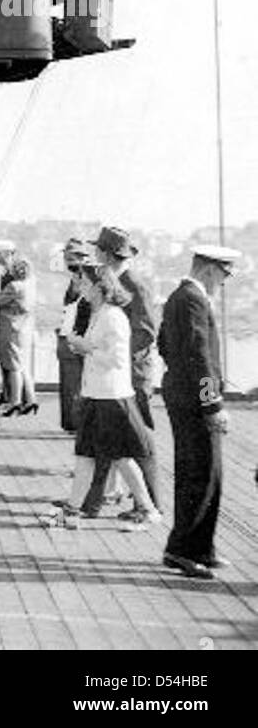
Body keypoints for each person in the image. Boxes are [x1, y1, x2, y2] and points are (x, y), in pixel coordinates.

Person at [43, 265, 160, 531]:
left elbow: (118, 359)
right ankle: (72, 510)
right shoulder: (98, 314)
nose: (81, 287)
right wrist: (84, 347)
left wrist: (86, 348)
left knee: (120, 457)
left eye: (84, 283)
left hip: (112, 397)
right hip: (97, 394)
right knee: (87, 454)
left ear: (99, 287)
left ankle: (148, 508)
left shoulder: (113, 316)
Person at [159, 244, 240, 579]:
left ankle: (202, 548)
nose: (222, 284)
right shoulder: (193, 298)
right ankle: (182, 550)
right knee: (200, 475)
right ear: (209, 270)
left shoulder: (179, 296)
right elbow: (199, 354)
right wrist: (213, 403)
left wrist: (177, 374)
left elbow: (164, 344)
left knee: (208, 474)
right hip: (195, 401)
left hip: (183, 393)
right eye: (222, 276)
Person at [81, 226, 160, 516]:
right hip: (118, 376)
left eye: (98, 250)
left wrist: (116, 359)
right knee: (112, 440)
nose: (95, 255)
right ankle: (95, 500)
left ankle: (149, 505)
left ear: (106, 253)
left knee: (137, 444)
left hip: (131, 377)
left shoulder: (133, 284)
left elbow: (146, 332)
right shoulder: (118, 280)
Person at [56, 238, 92, 432]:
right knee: (71, 386)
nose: (66, 261)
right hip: (70, 335)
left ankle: (75, 424)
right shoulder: (76, 278)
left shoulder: (84, 278)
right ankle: (73, 423)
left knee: (74, 386)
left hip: (75, 338)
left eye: (69, 257)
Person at [0, 254, 38, 417]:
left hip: (11, 328)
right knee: (23, 366)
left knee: (13, 367)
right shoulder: (31, 285)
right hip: (25, 329)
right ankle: (31, 400)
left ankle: (15, 402)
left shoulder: (14, 286)